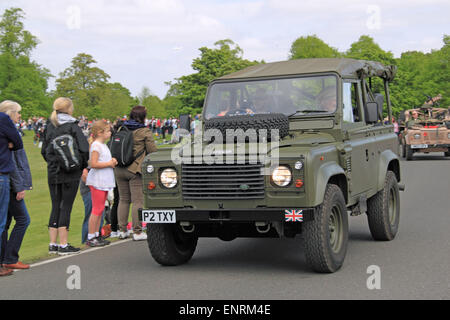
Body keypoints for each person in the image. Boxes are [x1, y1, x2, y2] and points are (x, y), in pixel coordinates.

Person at [41, 97, 89, 256]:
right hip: (70, 171)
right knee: (66, 206)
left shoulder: (50, 126)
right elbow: (84, 149)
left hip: (53, 171)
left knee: (55, 205)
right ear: (69, 109)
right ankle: (63, 244)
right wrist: (81, 166)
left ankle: (52, 244)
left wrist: (53, 163)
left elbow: (44, 151)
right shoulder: (72, 126)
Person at [114, 106, 157, 241]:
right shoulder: (144, 131)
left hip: (119, 168)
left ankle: (122, 230)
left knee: (123, 199)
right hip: (135, 169)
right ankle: (137, 231)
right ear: (143, 116)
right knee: (137, 201)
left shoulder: (121, 128)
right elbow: (152, 151)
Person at [0, 101, 32, 271]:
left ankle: (6, 257)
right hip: (11, 183)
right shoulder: (8, 132)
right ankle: (10, 257)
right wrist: (20, 186)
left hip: (10, 181)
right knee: (23, 219)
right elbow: (13, 163)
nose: (19, 116)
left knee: (5, 223)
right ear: (10, 113)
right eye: (18, 113)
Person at [85, 120, 117, 247]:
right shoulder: (96, 146)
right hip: (97, 180)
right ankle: (91, 236)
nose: (110, 133)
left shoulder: (103, 145)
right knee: (96, 209)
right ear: (100, 132)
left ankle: (96, 234)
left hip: (104, 180)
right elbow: (93, 164)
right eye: (108, 131)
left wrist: (112, 161)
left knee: (100, 209)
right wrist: (109, 163)